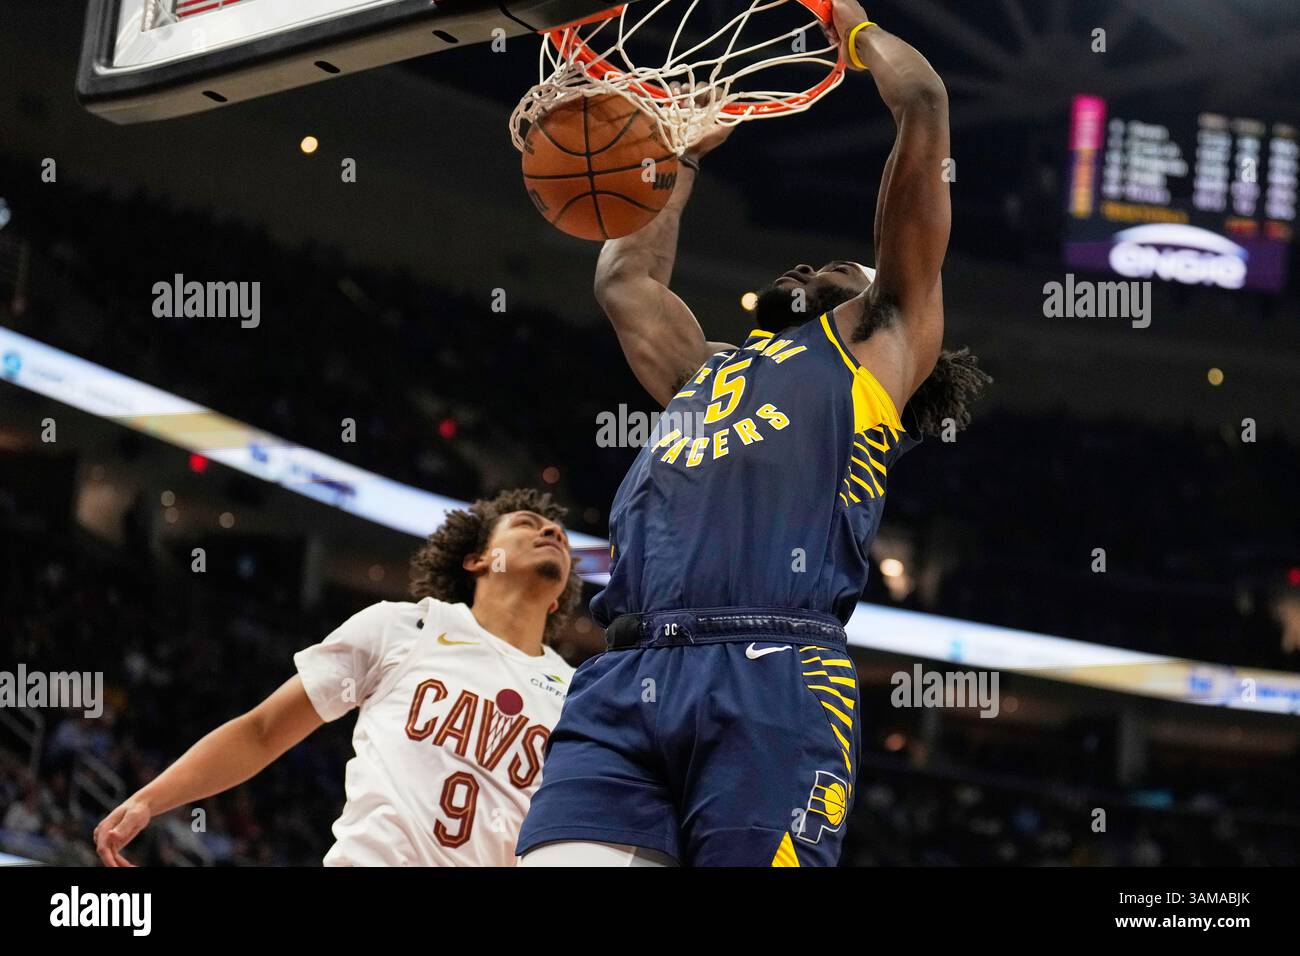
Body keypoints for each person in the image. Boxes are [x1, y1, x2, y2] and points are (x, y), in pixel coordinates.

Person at [517, 0, 989, 867]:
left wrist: (849, 25)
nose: (810, 267)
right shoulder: (707, 371)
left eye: (838, 267)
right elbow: (626, 280)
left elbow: (922, 103)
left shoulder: (875, 356)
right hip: (625, 672)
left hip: (771, 669)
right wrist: (678, 157)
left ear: (876, 295)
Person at [95, 489, 581, 866]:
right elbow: (262, 731)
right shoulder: (406, 626)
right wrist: (149, 799)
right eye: (528, 524)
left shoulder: (580, 695)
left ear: (559, 599)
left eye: (559, 534)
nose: (552, 534)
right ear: (477, 559)